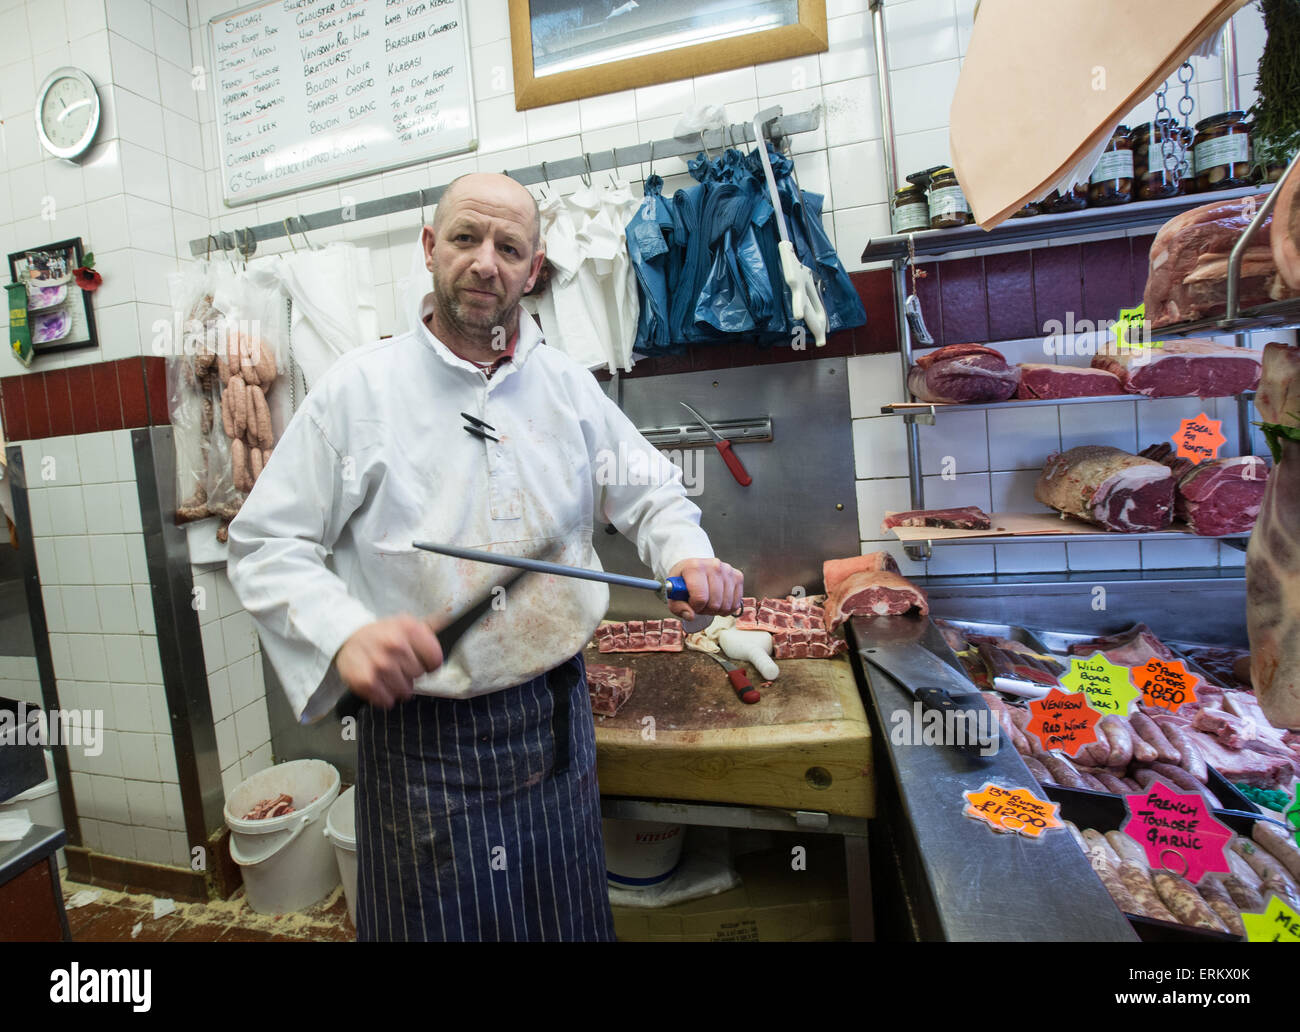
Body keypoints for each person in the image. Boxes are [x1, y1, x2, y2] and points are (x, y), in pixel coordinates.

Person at [226, 172, 743, 941]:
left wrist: (690, 553)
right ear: (430, 249)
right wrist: (343, 632)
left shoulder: (568, 388)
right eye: (465, 238)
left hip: (554, 721)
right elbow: (266, 542)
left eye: (509, 247)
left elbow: (653, 495)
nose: (485, 262)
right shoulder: (358, 392)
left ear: (533, 270)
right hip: (425, 742)